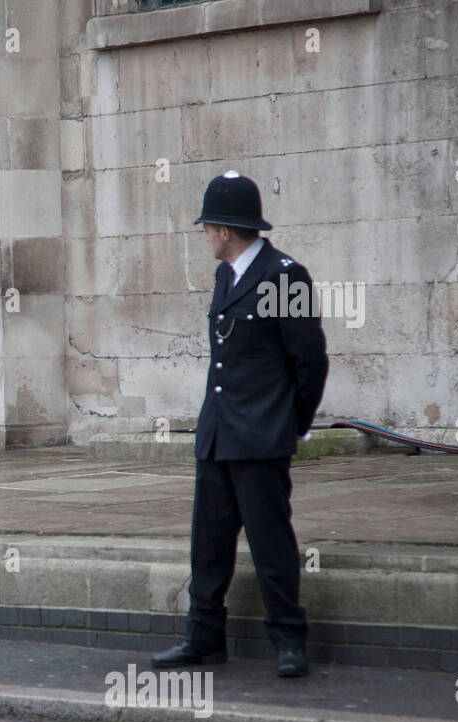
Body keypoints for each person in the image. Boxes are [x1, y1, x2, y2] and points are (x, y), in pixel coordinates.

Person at [152, 171, 329, 678]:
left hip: (260, 436)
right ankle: (203, 638)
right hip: (218, 432)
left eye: (207, 227)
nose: (204, 235)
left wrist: (289, 426)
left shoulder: (284, 276)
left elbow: (309, 362)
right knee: (207, 544)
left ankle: (288, 640)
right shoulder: (226, 275)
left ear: (225, 230)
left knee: (271, 544)